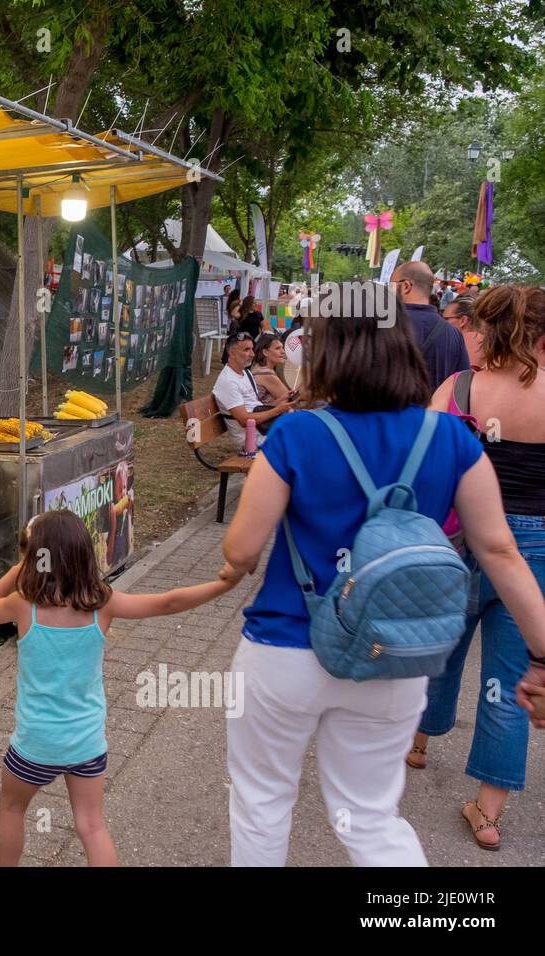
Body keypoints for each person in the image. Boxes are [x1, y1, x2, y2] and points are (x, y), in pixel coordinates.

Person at [221, 293, 545, 867]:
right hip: (393, 657)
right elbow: (499, 550)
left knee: (262, 802)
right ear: (404, 350)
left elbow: (242, 550)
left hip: (285, 649)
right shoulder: (453, 439)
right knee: (371, 816)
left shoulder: (297, 435)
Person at [0, 510, 240, 866]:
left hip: (36, 743)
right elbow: (168, 602)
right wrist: (222, 585)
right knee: (91, 826)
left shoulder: (24, 606)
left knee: (11, 809)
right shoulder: (102, 603)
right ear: (84, 554)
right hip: (86, 742)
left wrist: (18, 569)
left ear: (34, 558)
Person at [407, 285, 545, 851]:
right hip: (534, 553)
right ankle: (487, 813)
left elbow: (423, 470)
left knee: (439, 649)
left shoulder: (457, 388)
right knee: (511, 678)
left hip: (459, 539)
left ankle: (416, 742)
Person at [391, 260, 470, 390]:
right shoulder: (453, 333)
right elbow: (462, 387)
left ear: (406, 286)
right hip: (434, 409)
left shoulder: (380, 326)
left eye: (391, 286)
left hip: (387, 408)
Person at [212, 332, 294, 448]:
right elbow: (244, 420)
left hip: (262, 430)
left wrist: (280, 401)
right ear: (232, 353)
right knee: (301, 438)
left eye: (252, 349)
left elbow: (256, 407)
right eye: (246, 350)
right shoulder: (228, 381)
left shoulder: (246, 373)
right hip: (251, 439)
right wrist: (277, 410)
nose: (252, 354)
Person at [443, 293, 484, 370]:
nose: (442, 322)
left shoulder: (471, 340)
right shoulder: (481, 340)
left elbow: (466, 377)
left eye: (446, 319)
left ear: (463, 320)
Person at [250, 332, 292, 404]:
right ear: (265, 352)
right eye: (278, 348)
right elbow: (290, 400)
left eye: (282, 348)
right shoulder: (266, 373)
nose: (283, 352)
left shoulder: (257, 367)